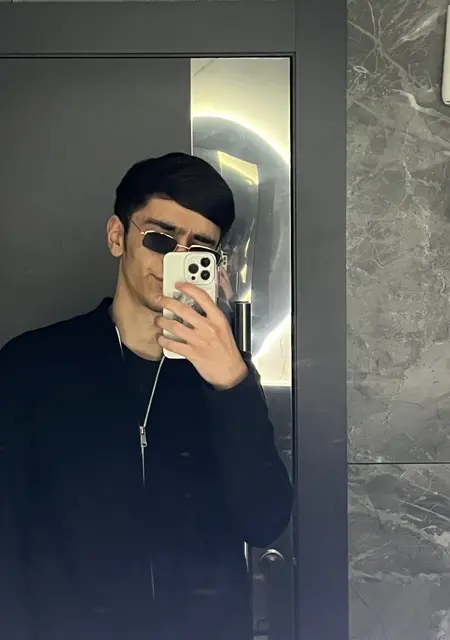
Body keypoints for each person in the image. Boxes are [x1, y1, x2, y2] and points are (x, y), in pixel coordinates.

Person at [0, 152, 292, 640]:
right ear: (118, 236)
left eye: (199, 250)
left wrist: (231, 384)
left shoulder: (225, 376)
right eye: (160, 239)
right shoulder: (32, 365)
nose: (175, 260)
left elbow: (264, 520)